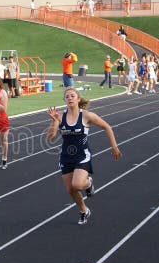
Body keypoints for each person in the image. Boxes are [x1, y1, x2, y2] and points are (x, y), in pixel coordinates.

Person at [46, 88, 121, 225]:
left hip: (82, 156)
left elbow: (107, 127)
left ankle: (89, 183)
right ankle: (84, 211)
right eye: (67, 96)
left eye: (72, 96)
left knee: (78, 184)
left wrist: (114, 147)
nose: (69, 98)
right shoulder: (60, 117)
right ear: (65, 100)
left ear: (78, 99)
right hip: (66, 157)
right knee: (70, 190)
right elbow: (50, 138)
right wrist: (54, 122)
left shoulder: (87, 116)